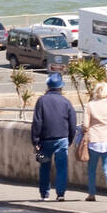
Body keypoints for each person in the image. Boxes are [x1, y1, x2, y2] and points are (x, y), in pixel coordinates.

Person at [31, 71, 76, 201]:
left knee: (44, 166)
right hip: (62, 140)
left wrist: (35, 141)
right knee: (62, 167)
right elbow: (72, 123)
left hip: (44, 141)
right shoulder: (66, 102)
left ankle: (44, 193)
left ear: (48, 86)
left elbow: (37, 122)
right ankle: (60, 193)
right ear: (61, 87)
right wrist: (70, 139)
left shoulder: (41, 101)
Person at [83, 81, 107, 201]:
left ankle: (92, 193)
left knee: (92, 169)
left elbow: (85, 124)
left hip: (95, 140)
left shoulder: (90, 105)